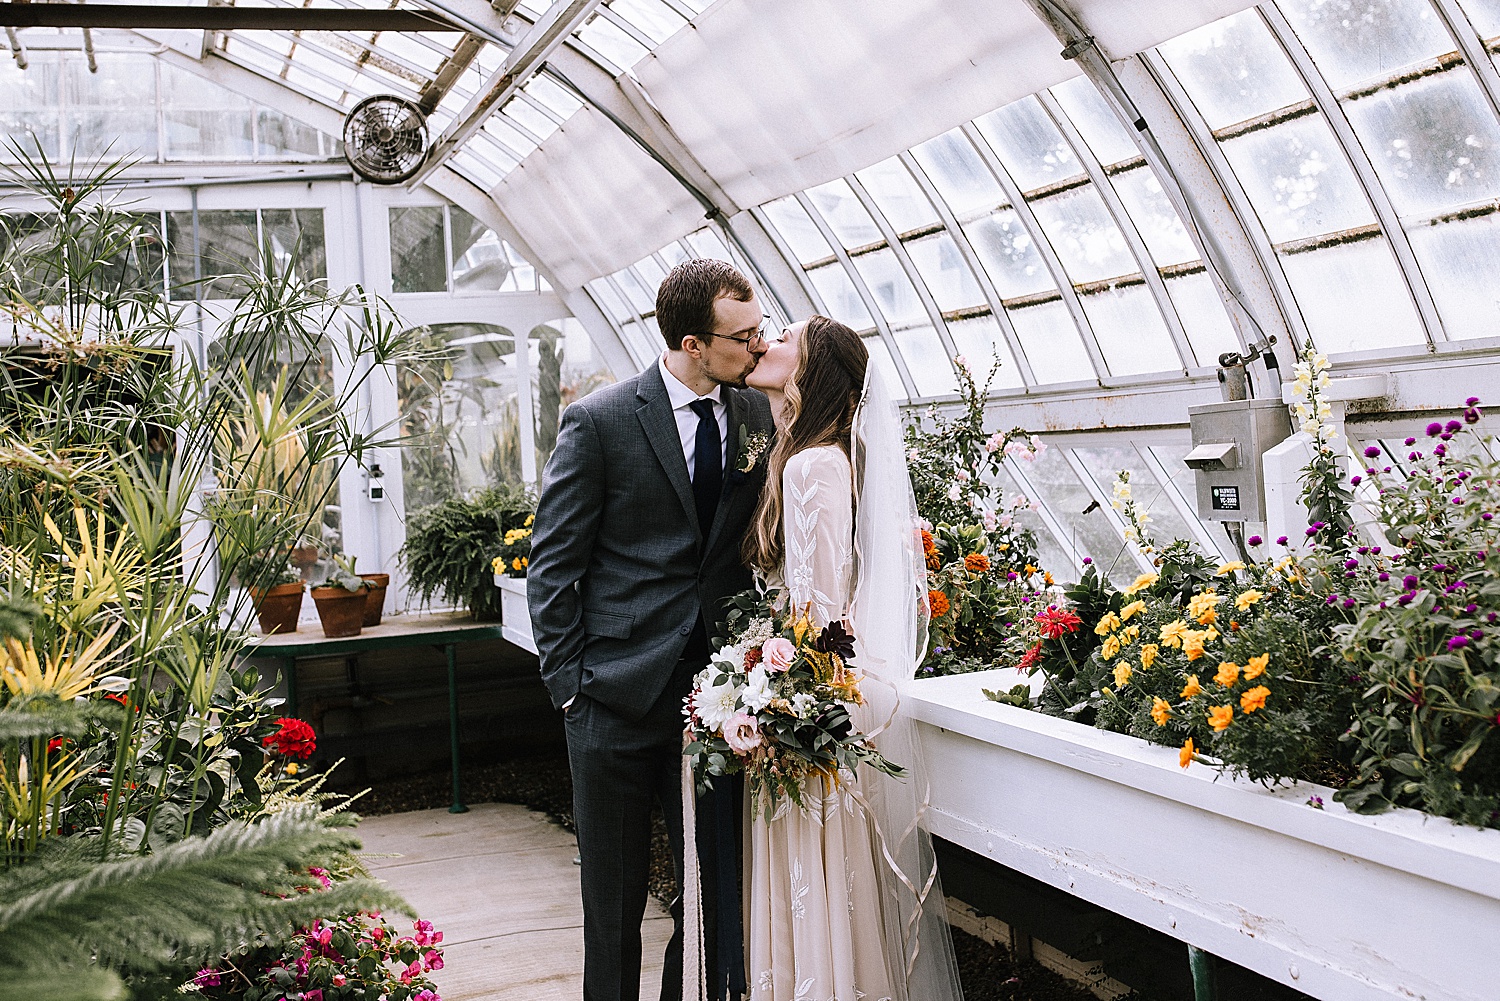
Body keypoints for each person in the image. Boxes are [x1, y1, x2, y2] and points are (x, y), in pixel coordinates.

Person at [528, 258, 776, 1001]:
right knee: (613, 903)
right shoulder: (601, 421)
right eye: (744, 337)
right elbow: (553, 565)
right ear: (694, 343)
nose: (759, 347)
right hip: (611, 700)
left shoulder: (757, 417)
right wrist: (572, 688)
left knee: (710, 894)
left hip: (716, 705)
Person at [730, 315, 966, 1001]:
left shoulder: (813, 464)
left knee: (814, 870)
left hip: (808, 692)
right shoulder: (819, 454)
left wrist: (778, 690)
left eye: (786, 342)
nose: (766, 345)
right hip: (813, 683)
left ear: (810, 372)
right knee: (832, 875)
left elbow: (819, 608)